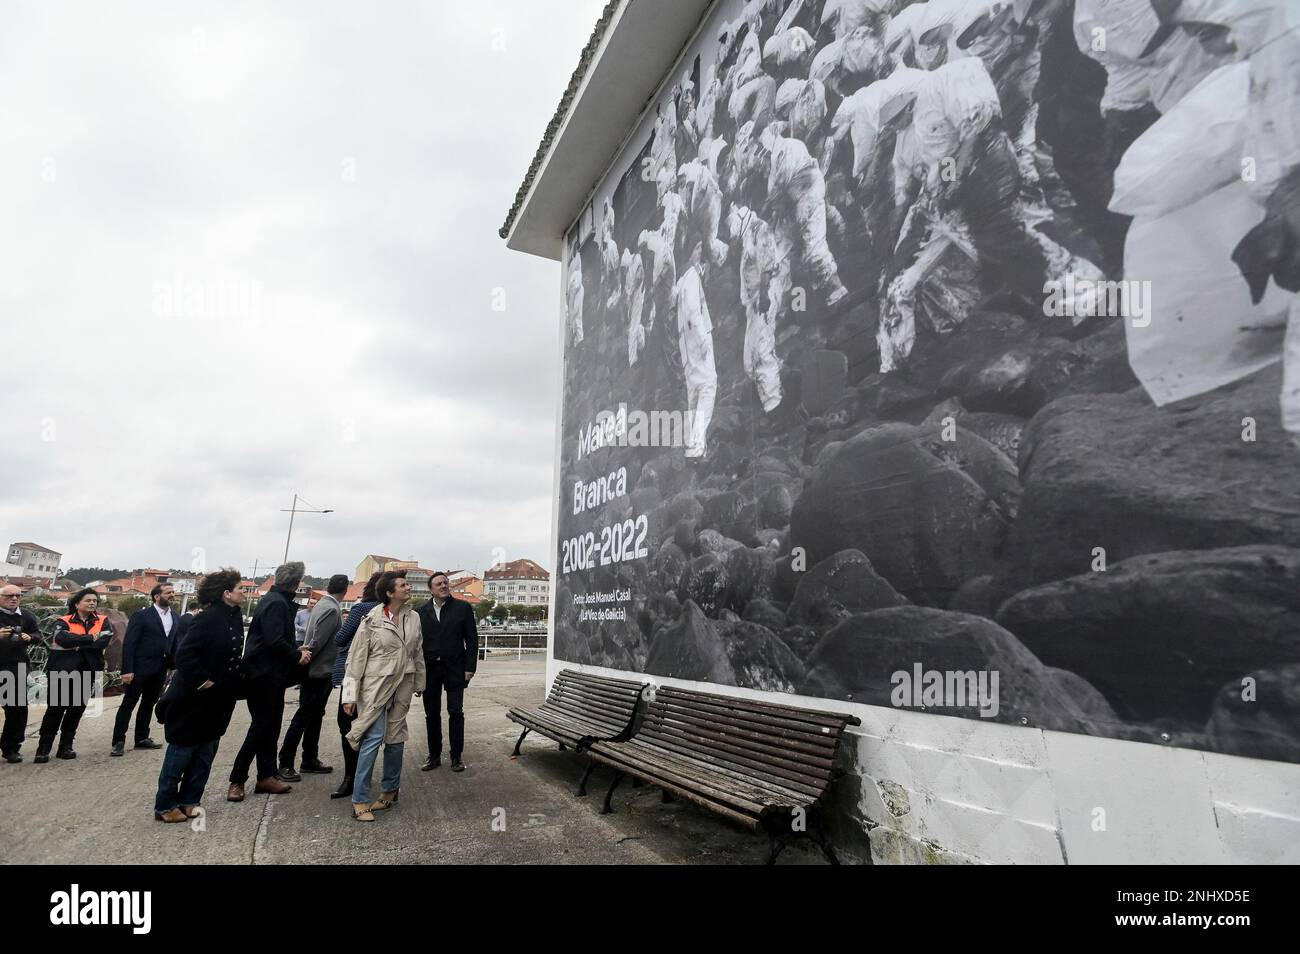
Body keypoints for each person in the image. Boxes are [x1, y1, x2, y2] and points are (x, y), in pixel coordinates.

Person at [152, 569, 244, 823]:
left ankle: (191, 799)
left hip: (219, 698)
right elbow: (184, 655)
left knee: (206, 751)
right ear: (226, 593)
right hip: (194, 698)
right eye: (240, 588)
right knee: (182, 751)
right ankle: (165, 805)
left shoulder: (234, 616)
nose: (244, 593)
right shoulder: (208, 618)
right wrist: (203, 681)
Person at [342, 571, 424, 822]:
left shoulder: (414, 617)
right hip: (376, 685)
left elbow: (417, 650)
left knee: (396, 738)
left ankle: (389, 791)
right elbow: (355, 658)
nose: (408, 587)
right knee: (373, 737)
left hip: (403, 683)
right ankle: (360, 799)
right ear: (389, 593)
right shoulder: (371, 620)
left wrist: (420, 681)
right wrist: (349, 695)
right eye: (403, 585)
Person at [227, 562, 310, 801]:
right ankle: (237, 779)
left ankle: (266, 776)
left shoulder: (275, 600)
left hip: (269, 674)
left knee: (270, 727)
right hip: (263, 676)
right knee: (262, 727)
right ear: (295, 583)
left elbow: (274, 638)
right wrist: (298, 655)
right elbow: (274, 640)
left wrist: (294, 648)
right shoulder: (276, 603)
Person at [279, 574, 348, 777]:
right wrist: (306, 657)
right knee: (304, 717)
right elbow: (318, 640)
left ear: (327, 586)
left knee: (314, 716)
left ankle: (309, 758)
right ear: (345, 591)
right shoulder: (332, 609)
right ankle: (285, 762)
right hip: (317, 671)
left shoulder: (321, 604)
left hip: (318, 670)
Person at [36, 588, 114, 762]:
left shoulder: (103, 620)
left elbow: (104, 640)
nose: (92, 603)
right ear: (77, 604)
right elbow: (62, 639)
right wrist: (90, 638)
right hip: (62, 671)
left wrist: (78, 643)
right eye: (88, 600)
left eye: (95, 600)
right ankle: (43, 748)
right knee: (55, 710)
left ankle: (66, 747)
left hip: (87, 671)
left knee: (76, 710)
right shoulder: (62, 621)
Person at [416, 571, 478, 772]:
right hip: (430, 669)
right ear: (431, 589)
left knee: (456, 711)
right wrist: (417, 674)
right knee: (431, 714)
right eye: (438, 584)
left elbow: (472, 640)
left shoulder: (463, 608)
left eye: (445, 582)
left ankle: (456, 756)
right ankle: (434, 755)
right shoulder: (420, 612)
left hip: (455, 669)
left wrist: (470, 667)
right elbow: (415, 645)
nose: (443, 586)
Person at [329, 571, 382, 799]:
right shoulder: (393, 613)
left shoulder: (361, 609)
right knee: (373, 727)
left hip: (352, 676)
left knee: (347, 725)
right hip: (378, 680)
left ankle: (351, 777)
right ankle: (364, 777)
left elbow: (340, 638)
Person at [112, 582, 174, 756]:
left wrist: (173, 665)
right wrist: (127, 669)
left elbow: (172, 643)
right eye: (168, 592)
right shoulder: (142, 616)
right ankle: (118, 741)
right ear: (156, 596)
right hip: (139, 669)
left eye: (173, 592)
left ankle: (141, 738)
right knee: (128, 704)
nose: (172, 595)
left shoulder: (174, 617)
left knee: (148, 705)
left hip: (160, 670)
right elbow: (130, 643)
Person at [0, 585, 39, 763]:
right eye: (9, 596)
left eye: (17, 595)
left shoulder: (27, 615)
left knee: (17, 710)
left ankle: (11, 748)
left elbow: (38, 635)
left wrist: (29, 638)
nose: (14, 599)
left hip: (17, 668)